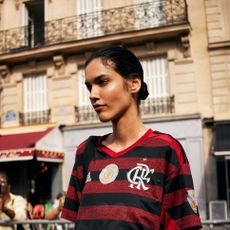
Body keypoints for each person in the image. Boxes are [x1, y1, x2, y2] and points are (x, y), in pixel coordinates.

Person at [61, 46, 202, 229]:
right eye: (89, 87)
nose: (92, 95)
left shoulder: (165, 149)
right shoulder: (85, 151)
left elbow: (183, 224)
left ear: (134, 83)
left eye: (102, 82)